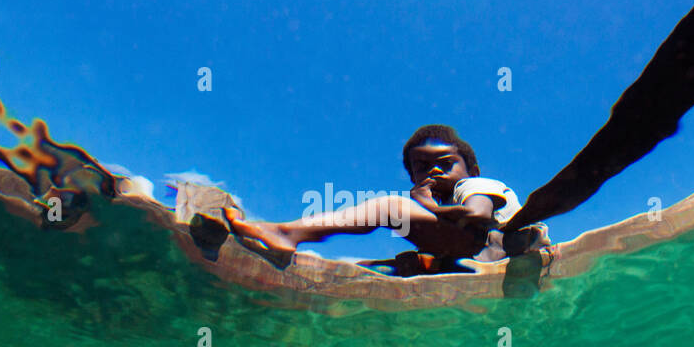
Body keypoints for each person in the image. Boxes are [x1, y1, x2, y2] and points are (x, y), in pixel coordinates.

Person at [218, 124, 548, 272]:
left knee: (390, 208)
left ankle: (287, 233)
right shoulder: (443, 207)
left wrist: (429, 206)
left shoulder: (476, 186)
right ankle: (423, 265)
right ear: (412, 177)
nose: (434, 172)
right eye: (422, 168)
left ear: (471, 168)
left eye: (446, 164)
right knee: (391, 262)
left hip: (503, 247)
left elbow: (476, 217)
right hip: (476, 257)